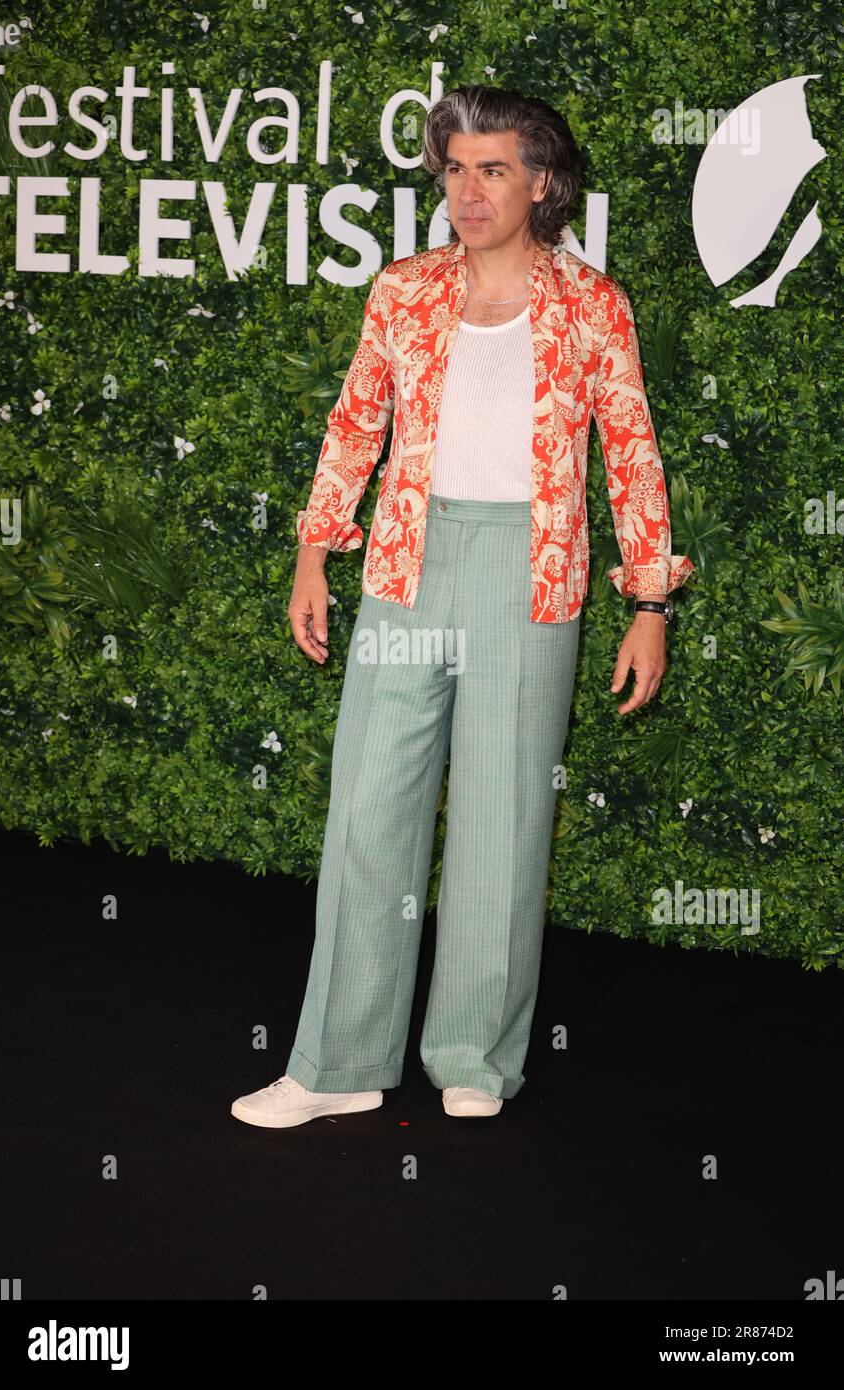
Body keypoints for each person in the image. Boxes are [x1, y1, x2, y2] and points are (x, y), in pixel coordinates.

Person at [231, 84, 693, 1129]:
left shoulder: (591, 303)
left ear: (540, 181)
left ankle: (472, 1057)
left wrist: (650, 601)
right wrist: (315, 552)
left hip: (530, 573)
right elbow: (354, 425)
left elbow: (629, 452)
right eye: (453, 169)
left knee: (503, 817)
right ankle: (337, 1060)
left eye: (492, 169)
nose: (468, 190)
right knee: (366, 812)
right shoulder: (400, 291)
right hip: (404, 561)